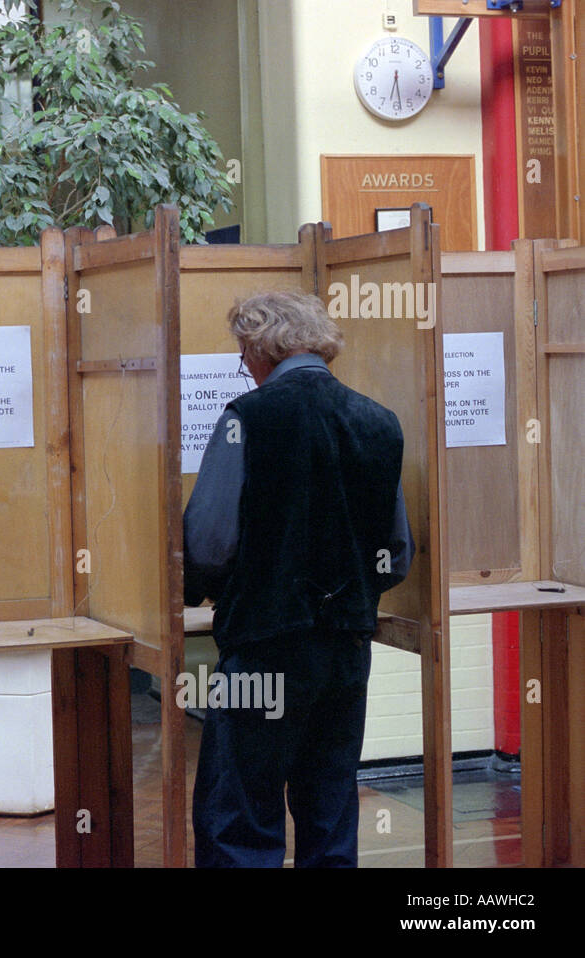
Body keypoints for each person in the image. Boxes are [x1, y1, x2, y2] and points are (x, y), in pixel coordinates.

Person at [184, 289, 414, 868]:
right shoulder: (379, 422)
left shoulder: (247, 419)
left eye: (243, 350)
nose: (244, 365)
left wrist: (205, 590)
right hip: (345, 652)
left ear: (263, 348)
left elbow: (209, 543)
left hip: (263, 648)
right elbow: (397, 554)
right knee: (330, 813)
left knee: (238, 819)